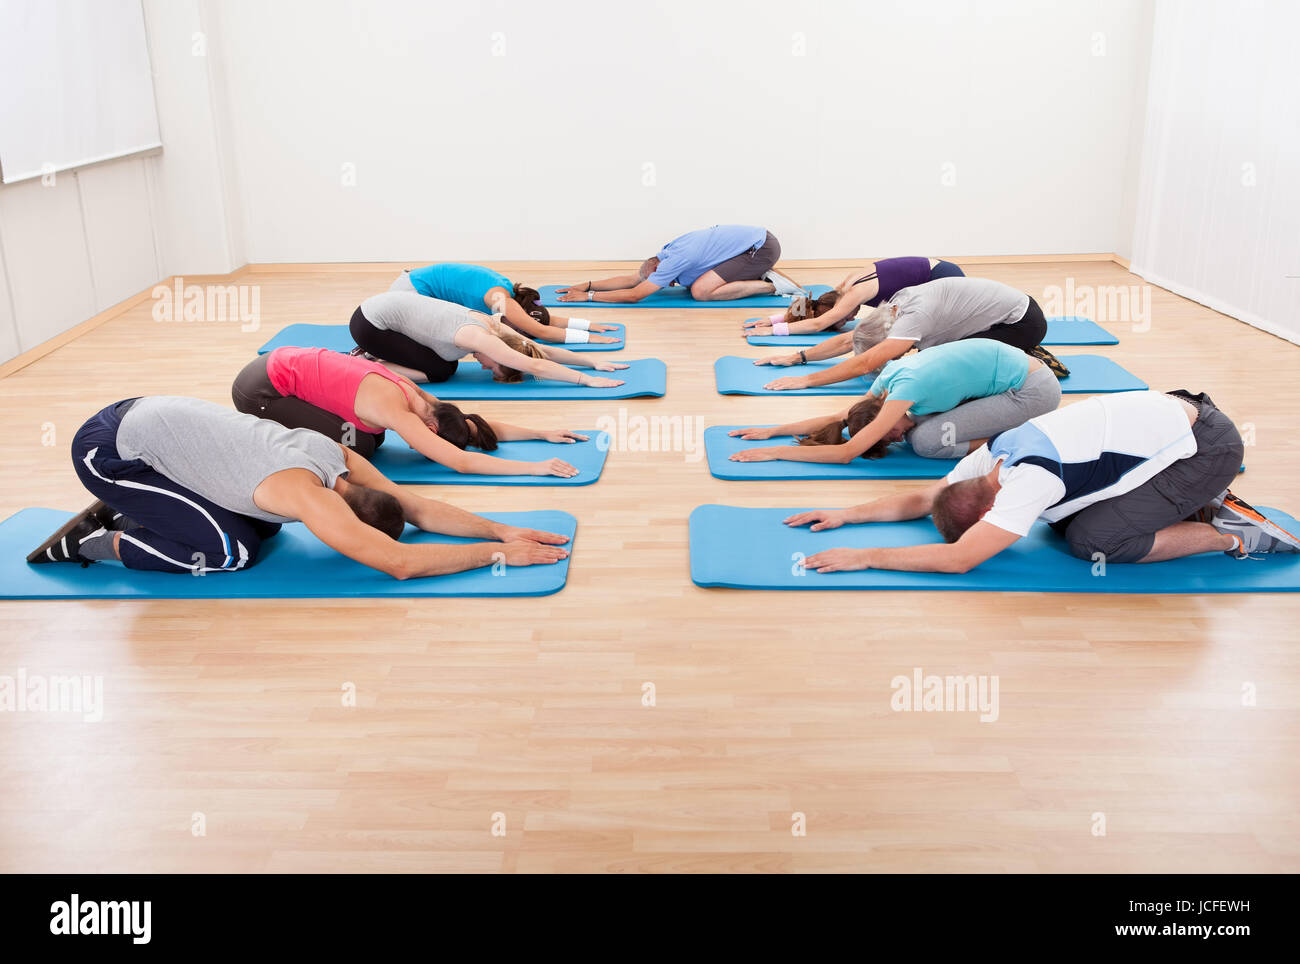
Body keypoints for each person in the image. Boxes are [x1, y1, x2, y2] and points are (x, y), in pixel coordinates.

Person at [26, 396, 571, 576]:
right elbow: (398, 563)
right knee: (234, 550)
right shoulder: (304, 496)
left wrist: (502, 527)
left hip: (146, 419)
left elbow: (418, 507)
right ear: (341, 520)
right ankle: (100, 542)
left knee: (263, 527)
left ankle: (146, 506)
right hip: (109, 452)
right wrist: (497, 555)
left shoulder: (334, 456)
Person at [783, 390, 1299, 574]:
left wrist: (868, 555)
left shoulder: (1029, 481)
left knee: (1091, 541)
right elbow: (925, 497)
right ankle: (1198, 503)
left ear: (989, 514)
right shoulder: (992, 459)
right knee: (1061, 521)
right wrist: (847, 514)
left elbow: (962, 560)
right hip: (1174, 418)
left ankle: (1235, 533)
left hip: (1209, 446)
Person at [233, 347, 589, 478]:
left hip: (278, 363)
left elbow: (470, 425)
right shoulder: (399, 410)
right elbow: (461, 462)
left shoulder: (421, 398)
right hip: (259, 390)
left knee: (369, 436)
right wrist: (535, 468)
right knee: (357, 448)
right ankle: (262, 436)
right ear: (431, 431)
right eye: (425, 445)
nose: (417, 447)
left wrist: (540, 433)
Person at [727, 339, 1060, 463]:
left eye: (887, 433)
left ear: (881, 419)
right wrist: (775, 430)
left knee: (927, 442)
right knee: (920, 432)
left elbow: (846, 453)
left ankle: (1018, 439)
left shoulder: (903, 391)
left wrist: (775, 452)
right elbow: (840, 416)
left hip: (1032, 390)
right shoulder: (886, 386)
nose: (895, 436)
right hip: (1009, 379)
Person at [754, 276, 1061, 392]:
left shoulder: (911, 320)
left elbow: (863, 362)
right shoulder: (891, 311)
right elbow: (852, 339)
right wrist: (799, 357)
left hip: (1020, 323)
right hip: (993, 312)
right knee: (931, 356)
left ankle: (1027, 355)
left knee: (947, 367)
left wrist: (806, 381)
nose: (880, 363)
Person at [348, 291, 627, 388]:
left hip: (384, 309)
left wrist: (591, 363)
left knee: (446, 364)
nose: (483, 367)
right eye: (493, 367)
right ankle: (363, 362)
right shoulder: (479, 336)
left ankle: (372, 355)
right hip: (370, 324)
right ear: (501, 354)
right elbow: (537, 365)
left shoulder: (494, 327)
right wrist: (585, 379)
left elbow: (539, 350)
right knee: (439, 372)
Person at [555, 224, 803, 303]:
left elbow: (634, 295)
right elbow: (633, 280)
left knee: (700, 291)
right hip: (747, 246)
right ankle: (756, 273)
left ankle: (771, 284)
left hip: (761, 248)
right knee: (695, 284)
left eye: (656, 278)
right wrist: (585, 285)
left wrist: (587, 297)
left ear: (657, 269)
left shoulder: (673, 262)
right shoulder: (664, 255)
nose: (661, 281)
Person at [393, 262, 620, 345]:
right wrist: (590, 339)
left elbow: (542, 321)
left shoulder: (508, 294)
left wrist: (588, 325)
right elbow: (540, 330)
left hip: (415, 284)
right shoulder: (503, 301)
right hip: (411, 291)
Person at [741, 257, 965, 337]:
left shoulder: (855, 293)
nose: (849, 320)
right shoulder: (843, 287)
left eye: (842, 319)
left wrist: (773, 330)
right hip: (940, 271)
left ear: (837, 307)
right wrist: (778, 317)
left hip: (944, 278)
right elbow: (812, 304)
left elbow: (819, 322)